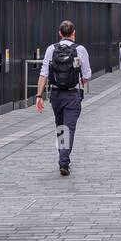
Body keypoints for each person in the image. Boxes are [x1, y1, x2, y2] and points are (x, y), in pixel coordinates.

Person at [35, 20, 93, 176]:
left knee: (60, 126)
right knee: (69, 127)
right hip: (73, 94)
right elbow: (87, 74)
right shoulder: (80, 49)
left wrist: (39, 95)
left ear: (60, 33)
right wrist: (80, 79)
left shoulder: (51, 49)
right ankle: (64, 161)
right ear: (74, 33)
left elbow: (44, 73)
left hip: (56, 94)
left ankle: (63, 157)